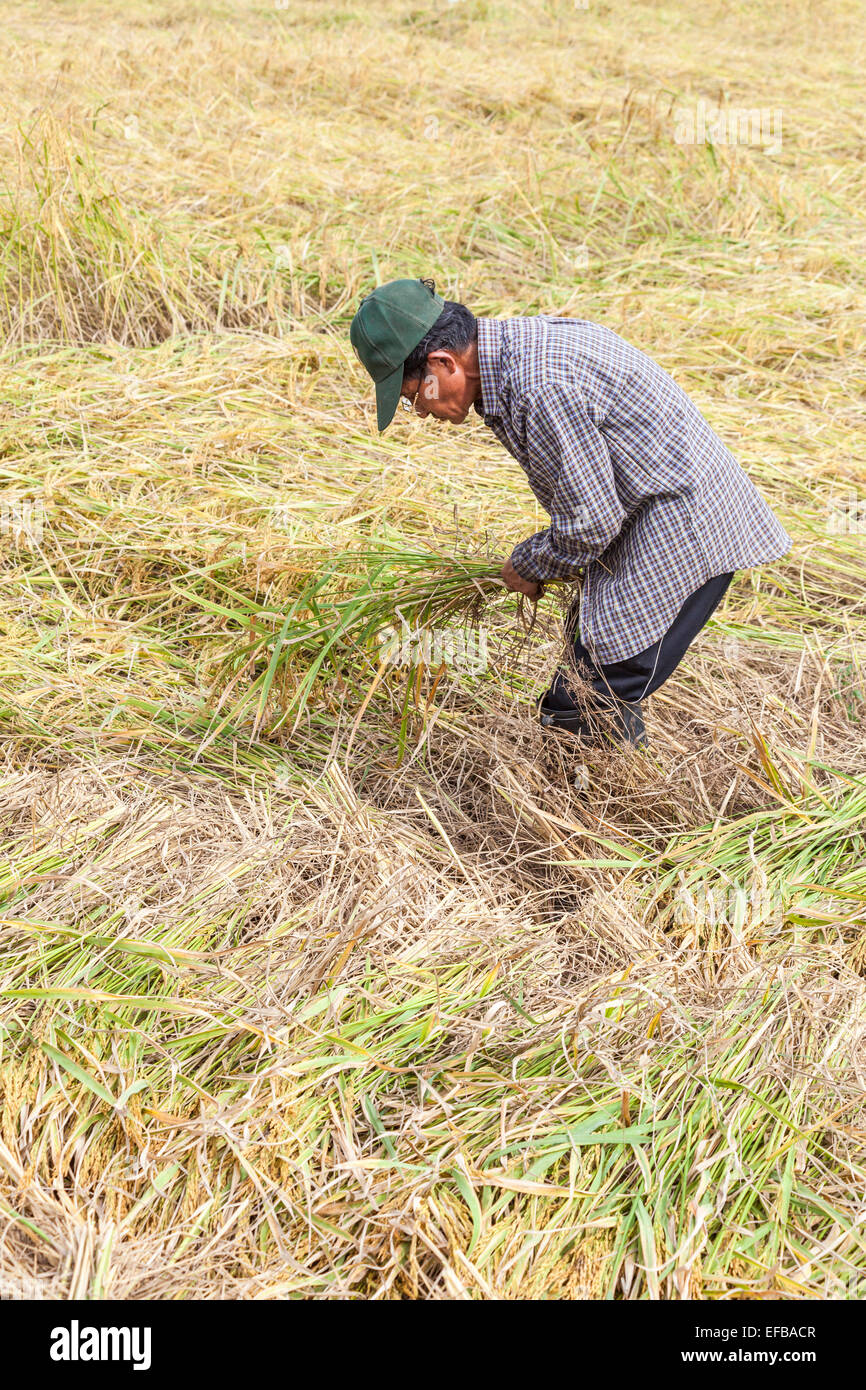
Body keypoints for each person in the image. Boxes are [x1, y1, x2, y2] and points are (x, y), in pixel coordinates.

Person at [349, 277, 791, 748]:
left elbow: (591, 523)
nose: (417, 410)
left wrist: (529, 564)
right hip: (662, 514)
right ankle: (614, 786)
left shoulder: (539, 386)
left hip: (685, 530)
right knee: (592, 681)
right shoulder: (520, 348)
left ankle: (601, 813)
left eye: (412, 393)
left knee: (585, 704)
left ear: (443, 363)